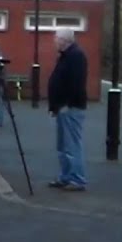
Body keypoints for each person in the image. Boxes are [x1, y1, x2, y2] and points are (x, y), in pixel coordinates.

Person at [47, 28, 88, 191]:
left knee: (71, 145)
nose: (55, 41)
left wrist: (65, 103)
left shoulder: (76, 56)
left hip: (70, 107)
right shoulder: (66, 56)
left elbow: (76, 83)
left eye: (57, 38)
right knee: (63, 145)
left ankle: (77, 179)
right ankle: (66, 176)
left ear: (65, 40)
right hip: (62, 107)